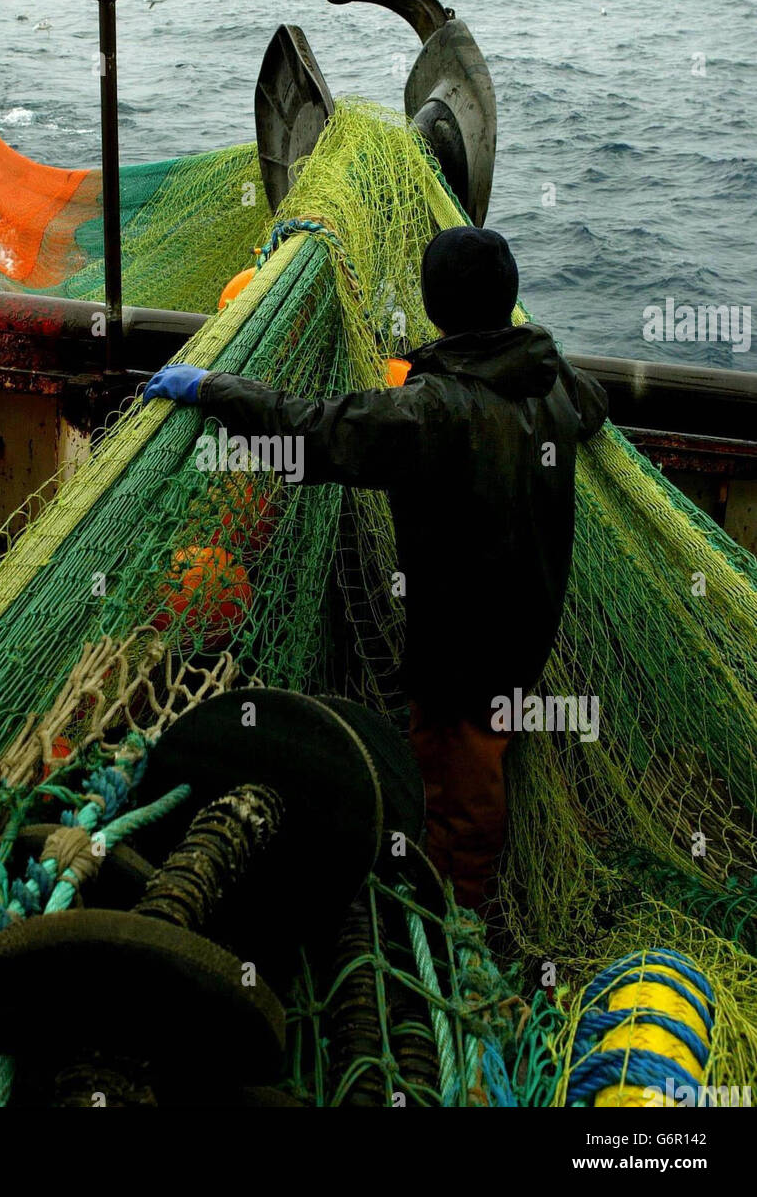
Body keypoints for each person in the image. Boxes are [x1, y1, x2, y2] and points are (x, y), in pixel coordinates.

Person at [142, 226, 608, 908]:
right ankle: (441, 873)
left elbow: (317, 431)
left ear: (435, 302)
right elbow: (595, 406)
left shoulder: (436, 410)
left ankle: (458, 923)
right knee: (465, 757)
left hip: (464, 656)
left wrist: (214, 389)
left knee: (463, 790)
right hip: (525, 626)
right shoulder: (551, 377)